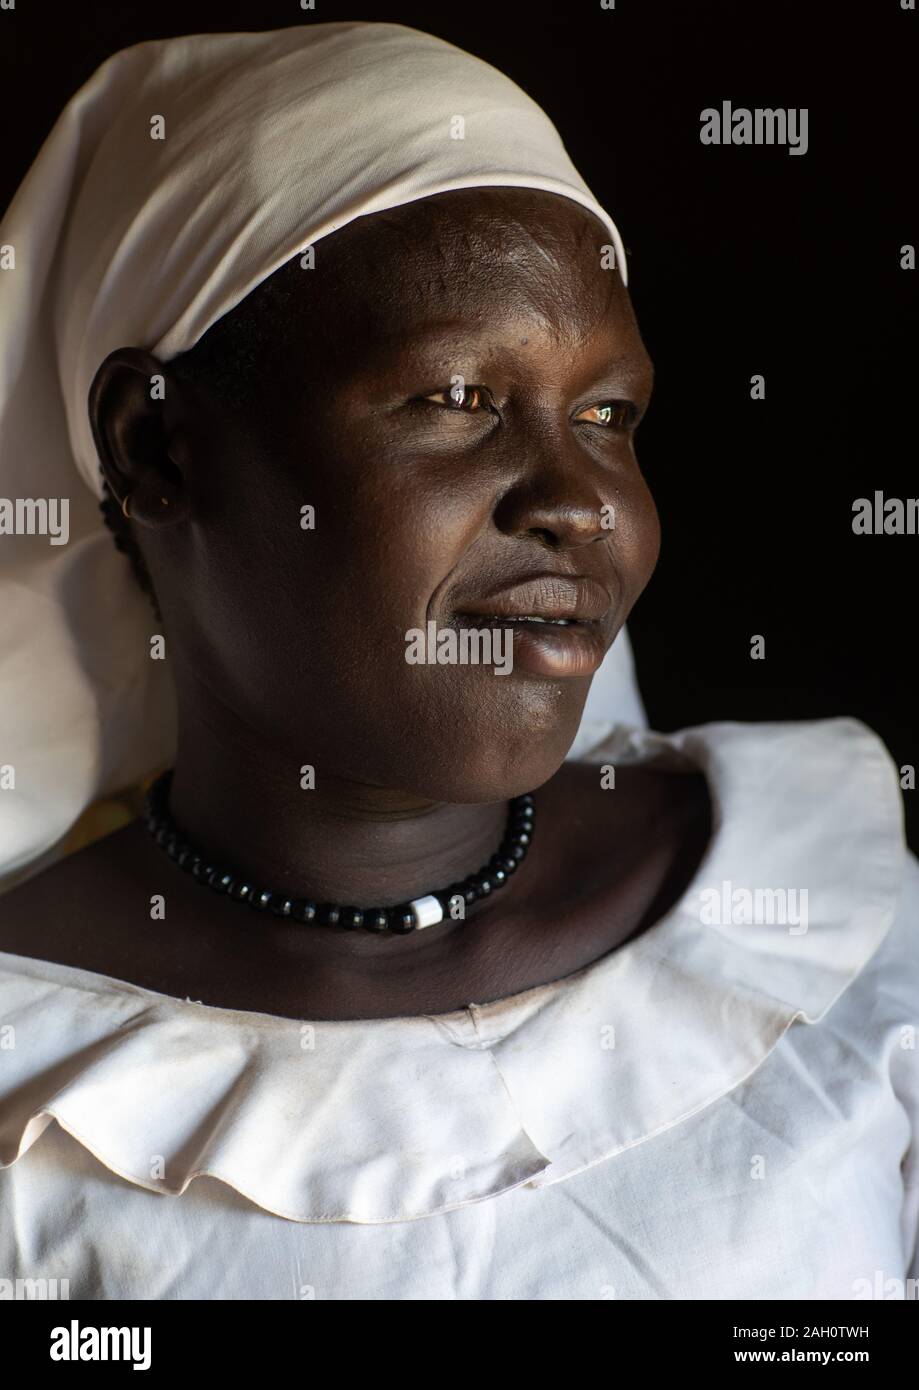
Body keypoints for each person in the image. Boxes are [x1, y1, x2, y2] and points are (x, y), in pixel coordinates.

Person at [0, 21, 916, 1301]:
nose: (578, 502)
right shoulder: (34, 1087)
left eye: (607, 414)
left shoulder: (819, 915)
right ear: (159, 448)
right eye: (458, 397)